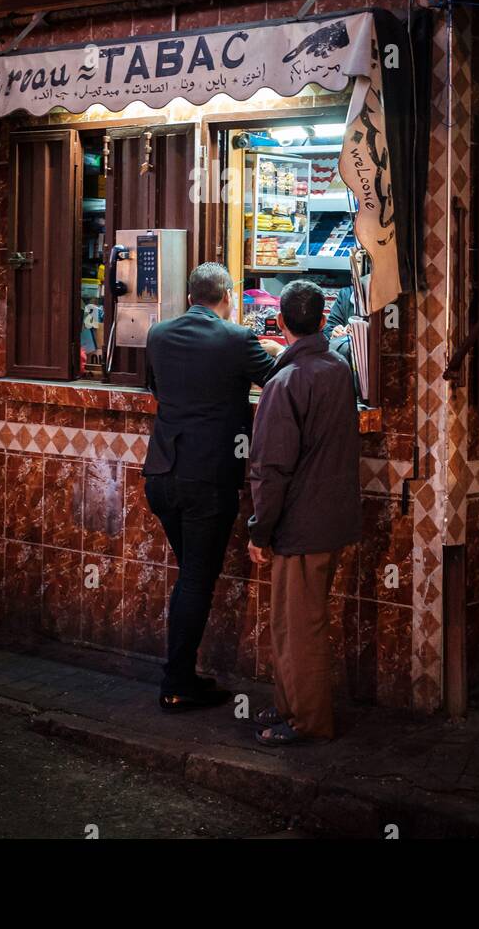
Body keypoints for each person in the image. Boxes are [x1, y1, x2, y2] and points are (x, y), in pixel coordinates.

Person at [145, 262, 279, 712]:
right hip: (207, 479)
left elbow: (157, 389)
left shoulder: (159, 335)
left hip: (162, 474)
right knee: (197, 580)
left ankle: (182, 676)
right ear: (227, 296)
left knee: (192, 578)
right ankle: (177, 682)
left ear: (189, 298)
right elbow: (276, 382)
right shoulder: (237, 338)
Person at [247, 279, 362, 746]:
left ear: (280, 323)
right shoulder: (337, 368)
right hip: (331, 516)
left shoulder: (286, 381)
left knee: (299, 627)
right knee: (294, 621)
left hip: (301, 523)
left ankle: (309, 720)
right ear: (321, 321)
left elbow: (270, 468)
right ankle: (290, 704)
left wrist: (260, 530)